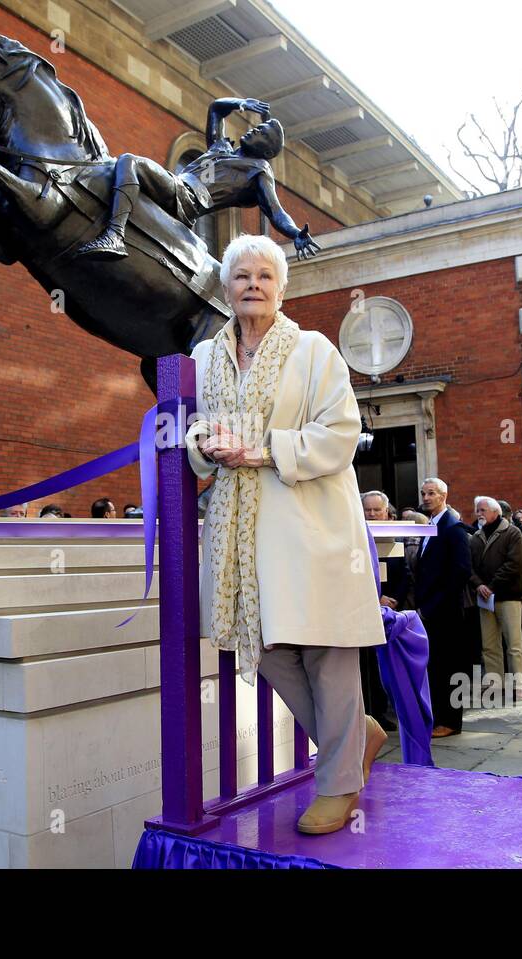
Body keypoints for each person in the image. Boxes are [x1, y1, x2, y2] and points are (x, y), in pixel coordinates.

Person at [185, 233, 384, 835]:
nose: (253, 285)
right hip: (239, 536)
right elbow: (191, 435)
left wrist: (264, 449)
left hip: (310, 524)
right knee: (265, 645)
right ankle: (355, 739)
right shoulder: (201, 357)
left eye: (264, 276)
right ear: (226, 288)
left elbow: (341, 433)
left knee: (326, 650)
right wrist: (206, 449)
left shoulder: (315, 350)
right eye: (241, 276)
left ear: (281, 287)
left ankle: (340, 784)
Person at [76, 98, 321, 262]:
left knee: (129, 161)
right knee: (111, 170)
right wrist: (241, 103)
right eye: (259, 128)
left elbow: (276, 212)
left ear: (267, 151)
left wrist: (295, 233)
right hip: (175, 185)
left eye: (263, 133)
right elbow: (216, 109)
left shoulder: (259, 169)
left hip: (187, 200)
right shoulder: (219, 147)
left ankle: (115, 235)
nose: (255, 130)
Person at [411, 477, 472, 737]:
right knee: (435, 667)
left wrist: (432, 606)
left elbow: (461, 572)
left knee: (449, 667)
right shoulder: (431, 525)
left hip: (446, 612)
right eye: (424, 493)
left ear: (443, 496)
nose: (426, 498)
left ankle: (450, 722)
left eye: (432, 493)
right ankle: (438, 718)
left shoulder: (453, 528)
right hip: (431, 611)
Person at [469, 496, 522, 700]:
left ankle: (518, 687)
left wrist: (490, 586)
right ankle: (494, 684)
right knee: (489, 644)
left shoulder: (512, 533)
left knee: (514, 644)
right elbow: (470, 567)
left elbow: (514, 564)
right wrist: (479, 585)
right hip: (485, 597)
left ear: (496, 512)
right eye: (477, 510)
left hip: (508, 595)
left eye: (483, 510)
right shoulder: (476, 537)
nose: (479, 514)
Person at [360, 490, 407, 730]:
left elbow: (404, 574)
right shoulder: (355, 539)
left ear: (386, 512)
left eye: (376, 510)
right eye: (367, 509)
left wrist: (394, 599)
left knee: (387, 666)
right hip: (363, 611)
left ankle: (384, 712)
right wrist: (375, 598)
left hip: (390, 613)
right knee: (365, 667)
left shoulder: (395, 539)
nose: (371, 514)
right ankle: (368, 713)